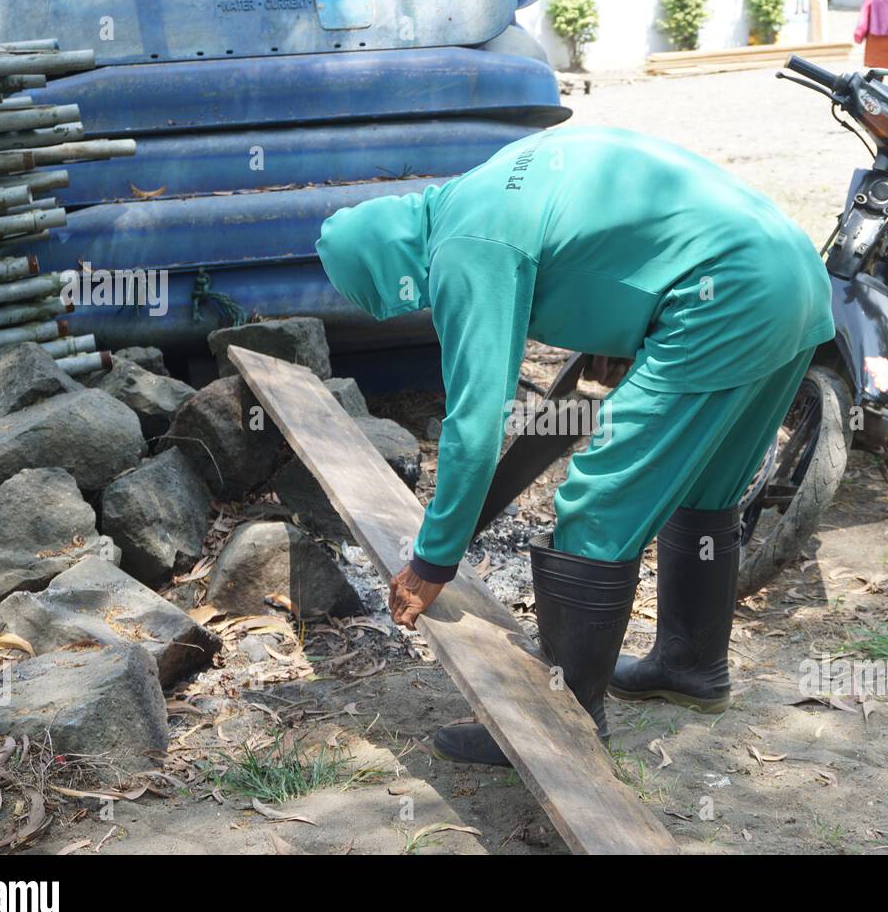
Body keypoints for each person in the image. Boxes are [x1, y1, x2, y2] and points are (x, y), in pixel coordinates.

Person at [316, 126, 833, 767]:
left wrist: (432, 561)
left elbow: (476, 427)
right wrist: (627, 335)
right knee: (706, 484)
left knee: (597, 495)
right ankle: (690, 666)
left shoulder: (464, 248)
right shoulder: (487, 184)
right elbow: (615, 245)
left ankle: (562, 718)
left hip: (729, 295)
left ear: (393, 270)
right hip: (792, 272)